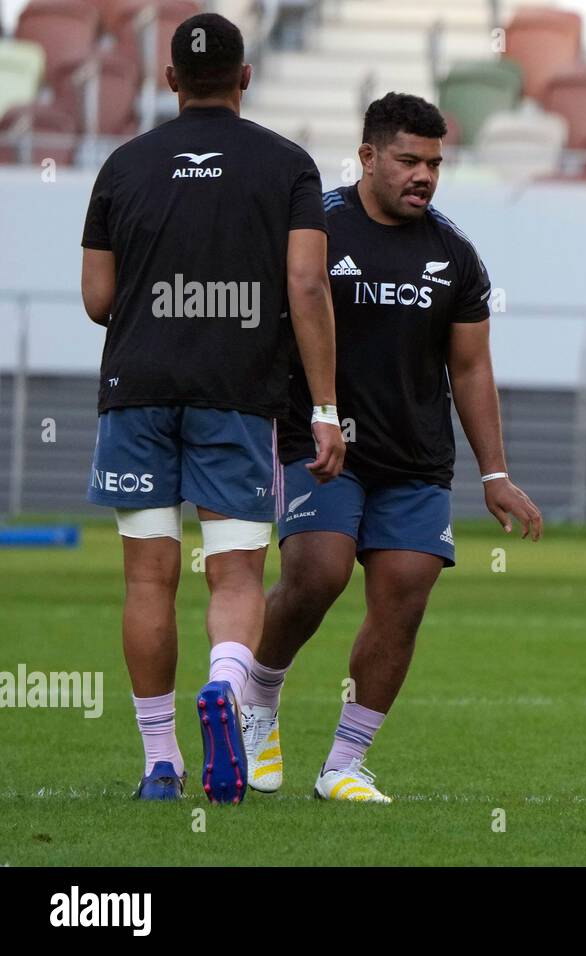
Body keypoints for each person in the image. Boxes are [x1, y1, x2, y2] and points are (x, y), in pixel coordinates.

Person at [240, 93, 542, 803]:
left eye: (435, 163)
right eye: (409, 160)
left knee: (405, 595)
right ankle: (258, 699)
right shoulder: (317, 232)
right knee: (319, 573)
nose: (424, 175)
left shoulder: (454, 254)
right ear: (368, 157)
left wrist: (494, 472)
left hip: (415, 459)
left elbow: (469, 368)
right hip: (319, 442)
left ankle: (345, 763)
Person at [80, 13, 344, 803]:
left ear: (169, 82)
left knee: (147, 578)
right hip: (237, 394)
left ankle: (162, 761)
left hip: (138, 390)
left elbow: (98, 299)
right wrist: (325, 407)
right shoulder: (287, 165)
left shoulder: (123, 165)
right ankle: (226, 689)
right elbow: (306, 286)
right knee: (234, 574)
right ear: (245, 77)